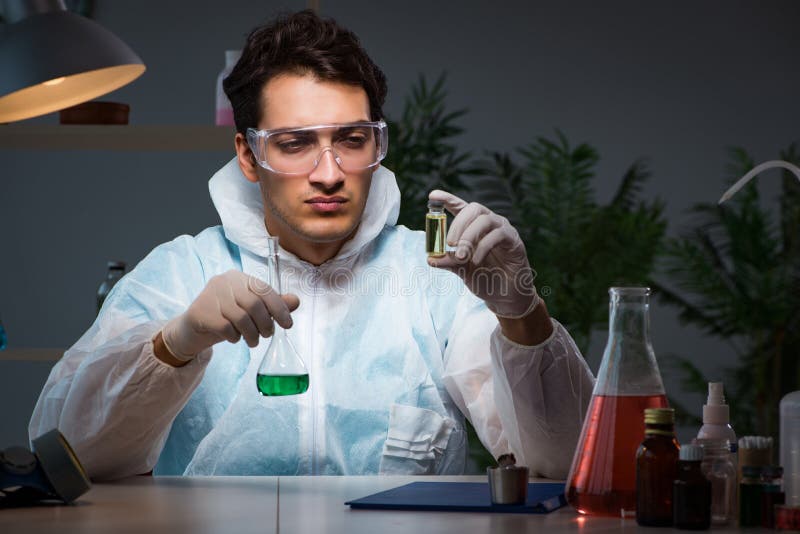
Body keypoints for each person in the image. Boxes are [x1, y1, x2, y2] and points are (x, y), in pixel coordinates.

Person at [29, 10, 594, 480]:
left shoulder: (434, 277)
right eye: (295, 143)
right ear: (249, 156)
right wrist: (174, 343)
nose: (330, 173)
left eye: (352, 140)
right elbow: (68, 455)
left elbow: (566, 465)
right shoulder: (179, 273)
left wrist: (522, 311)